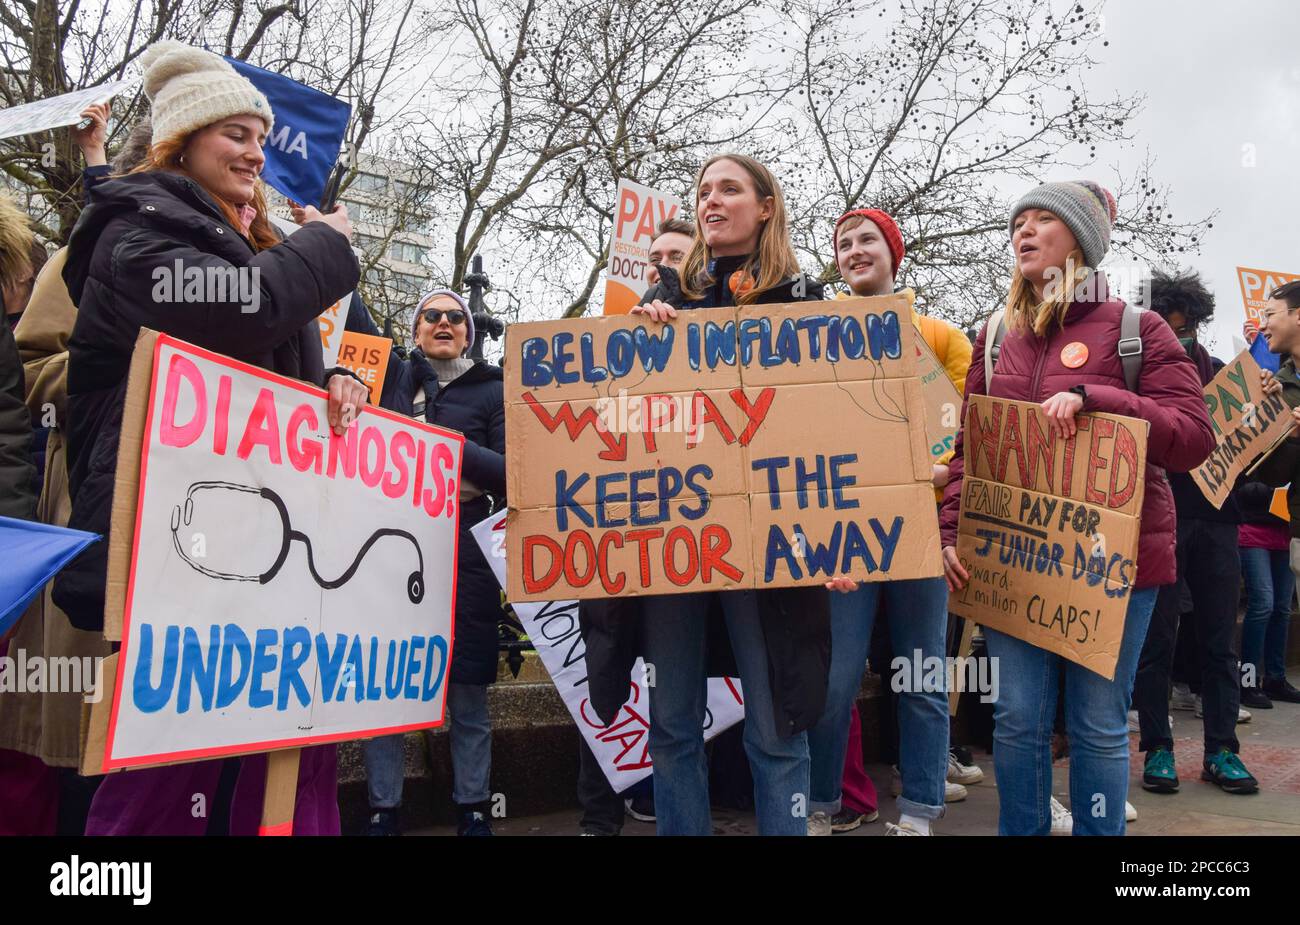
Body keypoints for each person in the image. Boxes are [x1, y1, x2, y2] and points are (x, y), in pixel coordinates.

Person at [57, 40, 365, 836]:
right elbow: (248, 307)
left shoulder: (238, 241)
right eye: (234, 134)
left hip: (257, 547)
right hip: (175, 552)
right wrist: (327, 244)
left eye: (260, 137)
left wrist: (329, 379)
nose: (256, 153)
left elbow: (262, 344)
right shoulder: (133, 241)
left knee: (266, 763)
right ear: (179, 143)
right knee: (163, 779)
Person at [940, 180, 1215, 835]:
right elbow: (967, 448)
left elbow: (1194, 438)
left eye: (1044, 220)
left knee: (1096, 723)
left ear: (1082, 242)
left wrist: (1105, 398)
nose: (1024, 232)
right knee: (1018, 718)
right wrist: (950, 529)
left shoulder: (1135, 330)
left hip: (1111, 570)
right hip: (1015, 557)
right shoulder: (994, 334)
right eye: (1019, 223)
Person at [619, 152, 831, 836]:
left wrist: (840, 533)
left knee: (775, 728)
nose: (711, 200)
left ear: (765, 207)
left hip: (770, 542)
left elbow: (833, 435)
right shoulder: (666, 305)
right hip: (677, 540)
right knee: (673, 724)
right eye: (704, 190)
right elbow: (623, 424)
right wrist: (643, 346)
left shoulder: (806, 306)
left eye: (729, 189)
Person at [809, 207, 966, 836]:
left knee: (923, 677)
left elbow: (962, 429)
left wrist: (938, 471)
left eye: (867, 239)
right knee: (834, 680)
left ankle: (921, 810)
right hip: (847, 534)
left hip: (921, 536)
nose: (854, 250)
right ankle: (821, 805)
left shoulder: (942, 336)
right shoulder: (814, 332)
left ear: (893, 252)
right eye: (843, 243)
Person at [361, 287, 505, 836]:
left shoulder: (492, 391)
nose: (443, 322)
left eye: (455, 317)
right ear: (417, 328)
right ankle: (383, 810)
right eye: (431, 315)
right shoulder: (390, 379)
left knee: (467, 688)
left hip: (464, 552)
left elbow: (510, 471)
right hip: (390, 548)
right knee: (387, 684)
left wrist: (441, 446)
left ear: (468, 332)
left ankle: (473, 807)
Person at [1131, 268, 1259, 795]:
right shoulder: (1136, 374)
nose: (1178, 335)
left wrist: (1274, 419)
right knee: (1156, 638)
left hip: (1219, 521)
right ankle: (1157, 747)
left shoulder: (1230, 377)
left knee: (1218, 640)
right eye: (1168, 324)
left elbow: (1261, 465)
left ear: (1199, 323)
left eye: (1186, 326)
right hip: (1161, 519)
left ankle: (1222, 750)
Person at [1237, 477, 1300, 705]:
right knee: (1263, 604)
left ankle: (1275, 679)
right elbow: (1240, 486)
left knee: (1282, 608)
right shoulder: (1255, 444)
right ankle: (1248, 682)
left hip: (1286, 530)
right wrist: (1269, 489)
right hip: (1252, 528)